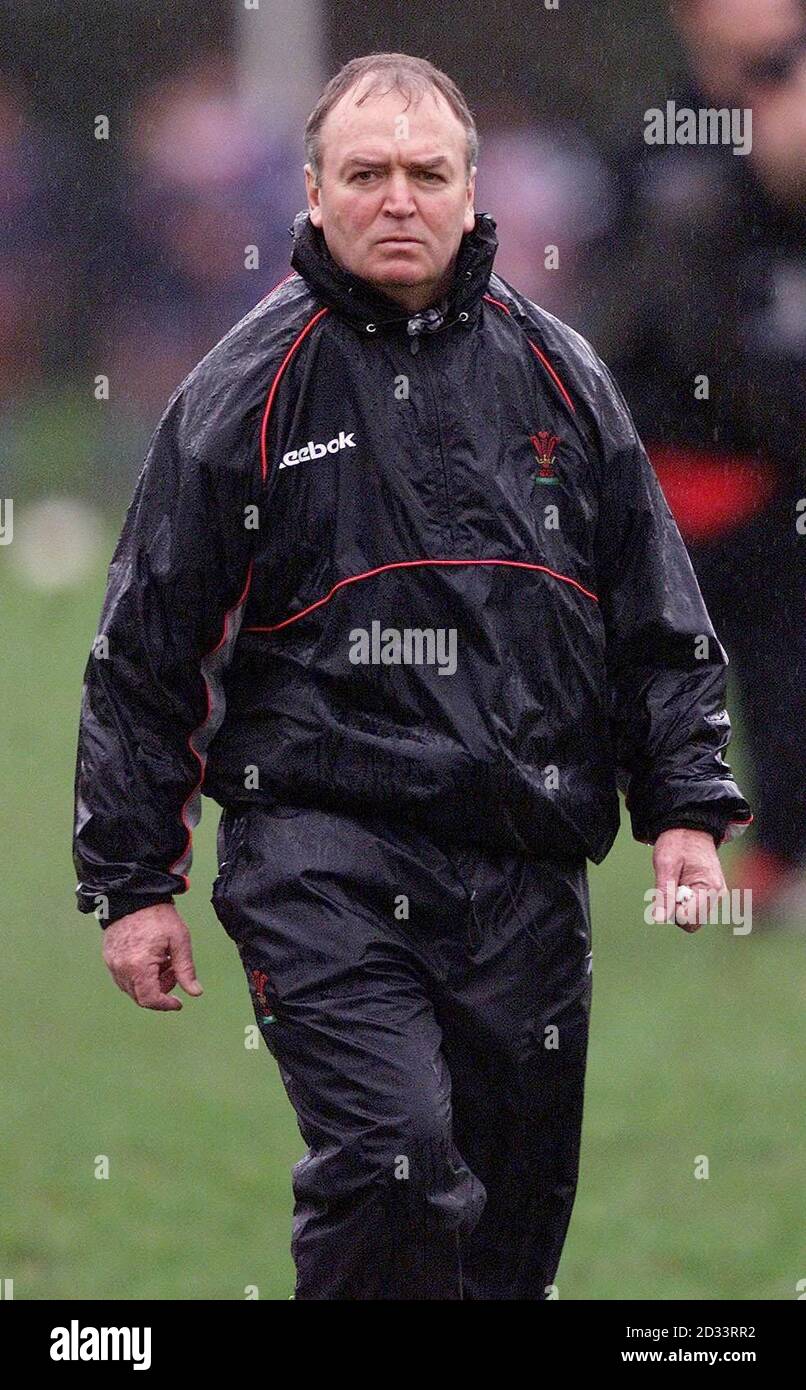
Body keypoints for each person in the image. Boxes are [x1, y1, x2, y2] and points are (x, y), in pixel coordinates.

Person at [72, 52, 752, 1301]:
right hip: (318, 856)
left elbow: (655, 612)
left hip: (523, 869)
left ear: (471, 190)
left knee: (507, 1225)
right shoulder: (241, 391)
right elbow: (144, 650)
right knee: (393, 1166)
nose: (399, 198)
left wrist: (688, 811)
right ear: (315, 193)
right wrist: (130, 884)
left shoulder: (562, 374)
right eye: (366, 173)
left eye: (425, 173)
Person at [582, 0, 806, 921]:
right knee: (701, 673)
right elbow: (641, 312)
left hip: (784, 454)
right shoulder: (660, 143)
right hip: (702, 466)